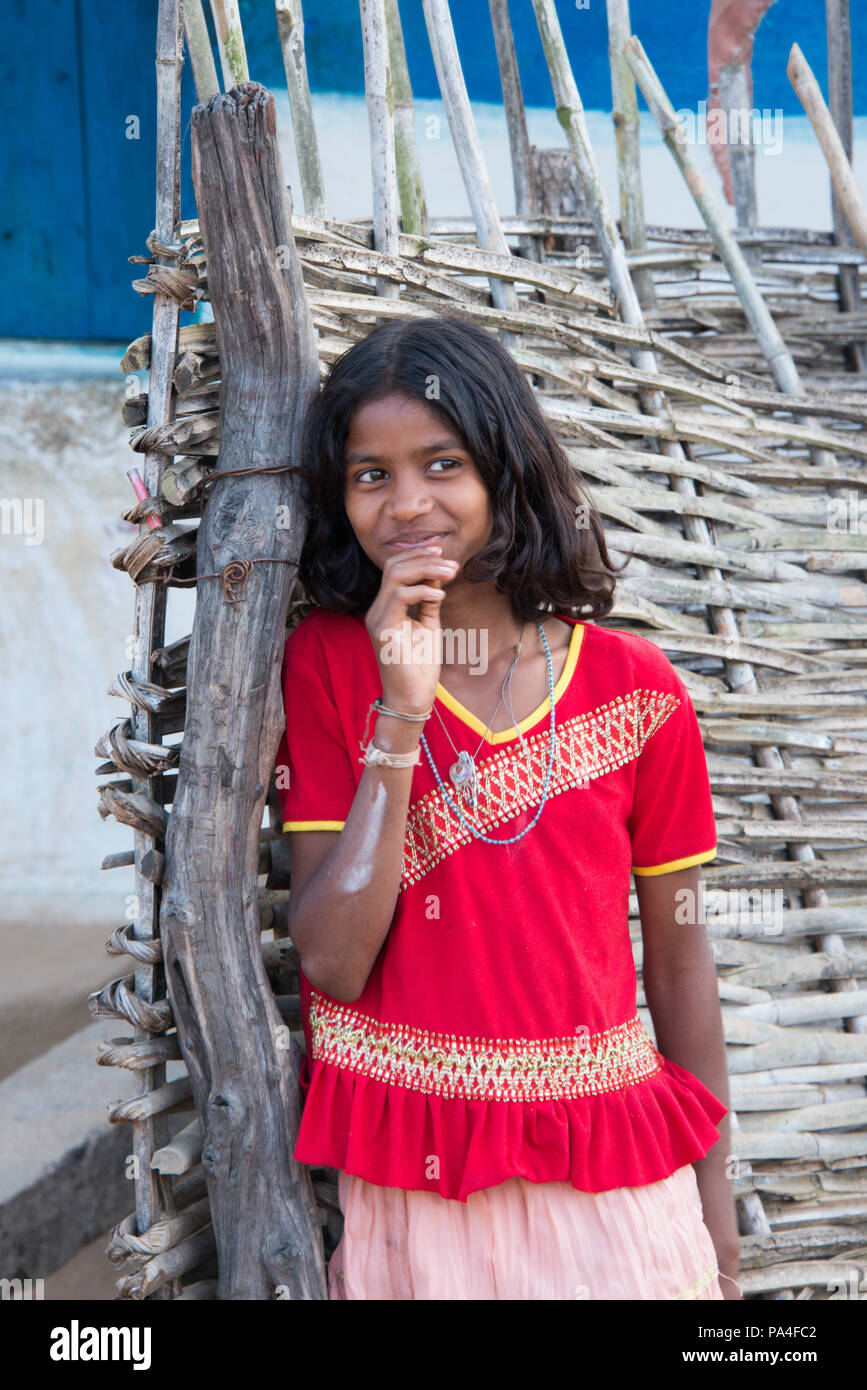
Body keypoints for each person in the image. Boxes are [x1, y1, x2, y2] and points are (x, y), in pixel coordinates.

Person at [274, 314, 742, 1301]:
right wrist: (399, 714)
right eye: (370, 475)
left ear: (503, 466)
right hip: (419, 1190)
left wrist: (717, 1219)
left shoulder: (635, 687)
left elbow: (683, 957)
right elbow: (333, 958)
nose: (407, 504)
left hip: (611, 1189)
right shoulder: (328, 664)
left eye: (441, 463)